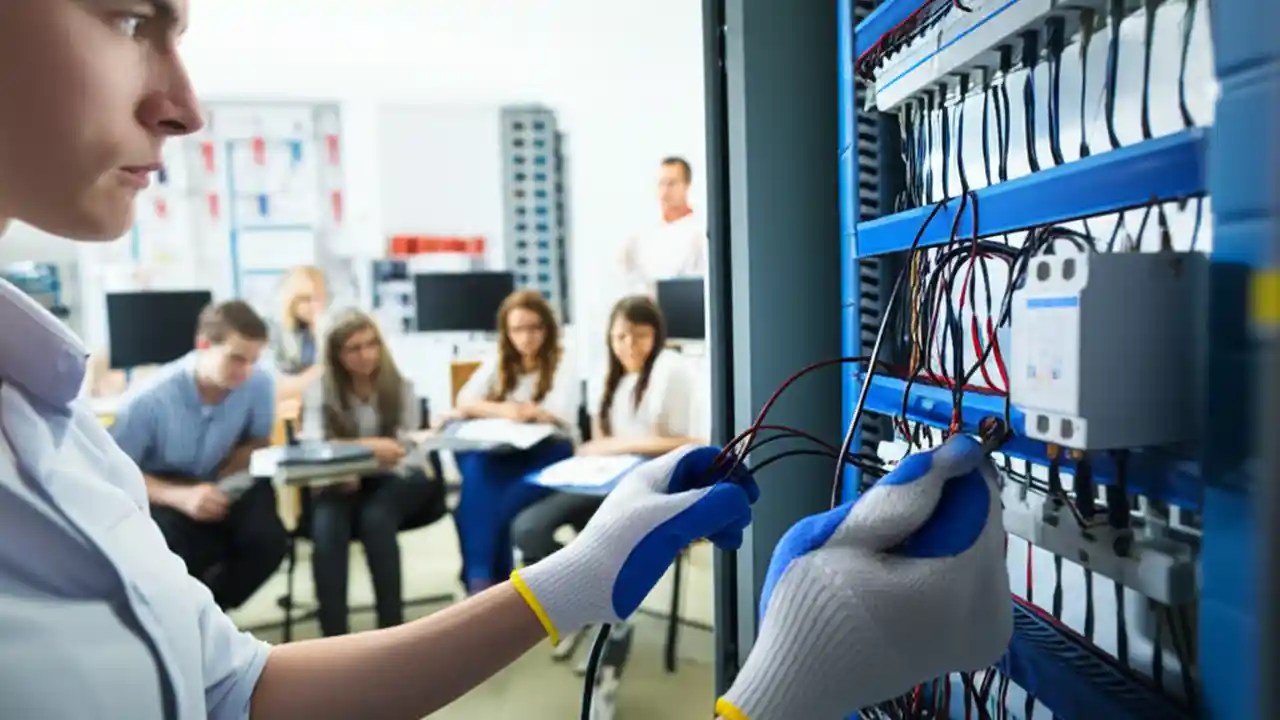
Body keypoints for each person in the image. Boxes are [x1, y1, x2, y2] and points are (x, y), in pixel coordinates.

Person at [0, 2, 1010, 718]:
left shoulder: (56, 434)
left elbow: (242, 694)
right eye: (130, 18)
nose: (185, 106)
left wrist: (573, 579)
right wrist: (786, 691)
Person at [108, 299, 287, 610]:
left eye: (253, 360)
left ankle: (210, 616)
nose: (245, 371)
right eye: (236, 359)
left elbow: (258, 440)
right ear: (203, 344)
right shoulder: (148, 400)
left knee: (268, 540)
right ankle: (183, 622)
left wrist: (233, 470)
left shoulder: (259, 383)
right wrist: (183, 497)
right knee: (171, 549)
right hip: (165, 491)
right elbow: (114, 474)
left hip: (223, 480)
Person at [512, 294, 702, 567]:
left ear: (656, 335)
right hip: (604, 480)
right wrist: (604, 449)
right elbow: (600, 444)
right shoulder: (607, 374)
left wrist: (616, 446)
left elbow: (694, 442)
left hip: (649, 483)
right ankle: (579, 584)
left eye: (640, 335)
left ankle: (579, 584)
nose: (629, 346)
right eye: (620, 337)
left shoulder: (671, 370)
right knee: (527, 529)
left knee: (534, 532)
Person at [300, 308, 446, 637]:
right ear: (337, 355)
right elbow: (314, 449)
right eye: (353, 348)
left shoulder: (400, 385)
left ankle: (390, 631)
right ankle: (333, 636)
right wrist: (368, 448)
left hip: (396, 478)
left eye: (371, 344)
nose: (365, 355)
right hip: (339, 480)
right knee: (327, 528)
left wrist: (351, 450)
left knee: (376, 519)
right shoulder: (319, 390)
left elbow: (405, 448)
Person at [452, 289, 579, 593]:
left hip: (549, 451)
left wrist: (530, 414)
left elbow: (559, 415)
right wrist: (509, 410)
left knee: (480, 503)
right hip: (505, 451)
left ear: (547, 329)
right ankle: (493, 585)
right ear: (507, 333)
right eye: (518, 329)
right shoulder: (500, 360)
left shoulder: (563, 360)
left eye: (535, 327)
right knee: (475, 471)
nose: (527, 337)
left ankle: (480, 581)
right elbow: (464, 400)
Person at [618, 156, 708, 297]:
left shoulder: (700, 232)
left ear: (687, 185)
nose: (665, 191)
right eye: (661, 184)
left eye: (672, 184)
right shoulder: (643, 236)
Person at [271, 265, 327, 403]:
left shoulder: (320, 329)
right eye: (306, 299)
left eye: (319, 297)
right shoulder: (276, 333)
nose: (315, 305)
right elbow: (277, 389)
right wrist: (321, 370)